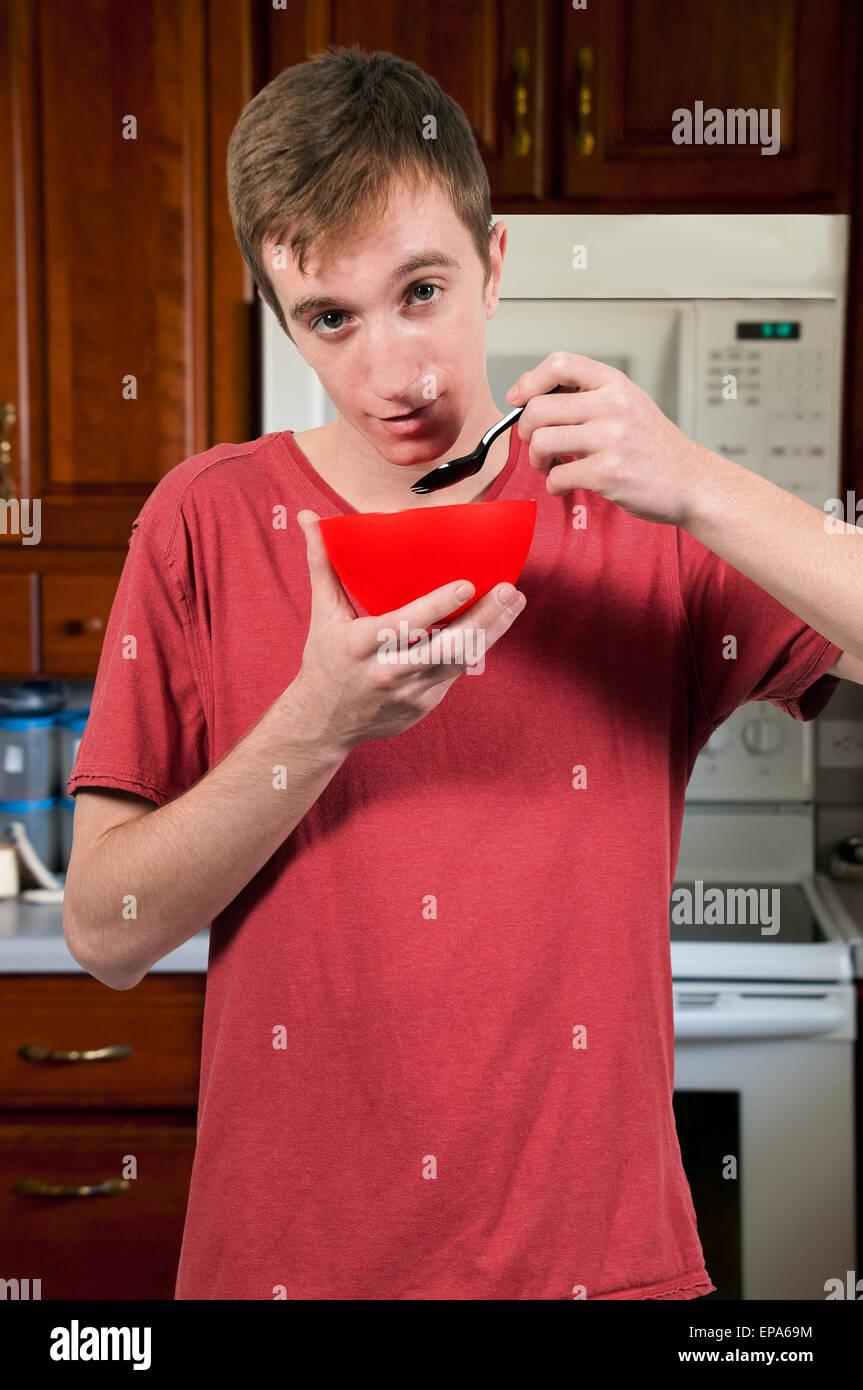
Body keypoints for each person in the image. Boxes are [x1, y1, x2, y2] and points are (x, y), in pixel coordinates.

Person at [62, 46, 863, 1302]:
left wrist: (698, 485)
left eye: (421, 290)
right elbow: (106, 932)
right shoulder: (203, 523)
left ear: (494, 268)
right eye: (331, 317)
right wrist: (314, 726)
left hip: (603, 1276)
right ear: (284, 320)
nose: (395, 373)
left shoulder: (636, 509)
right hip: (288, 1273)